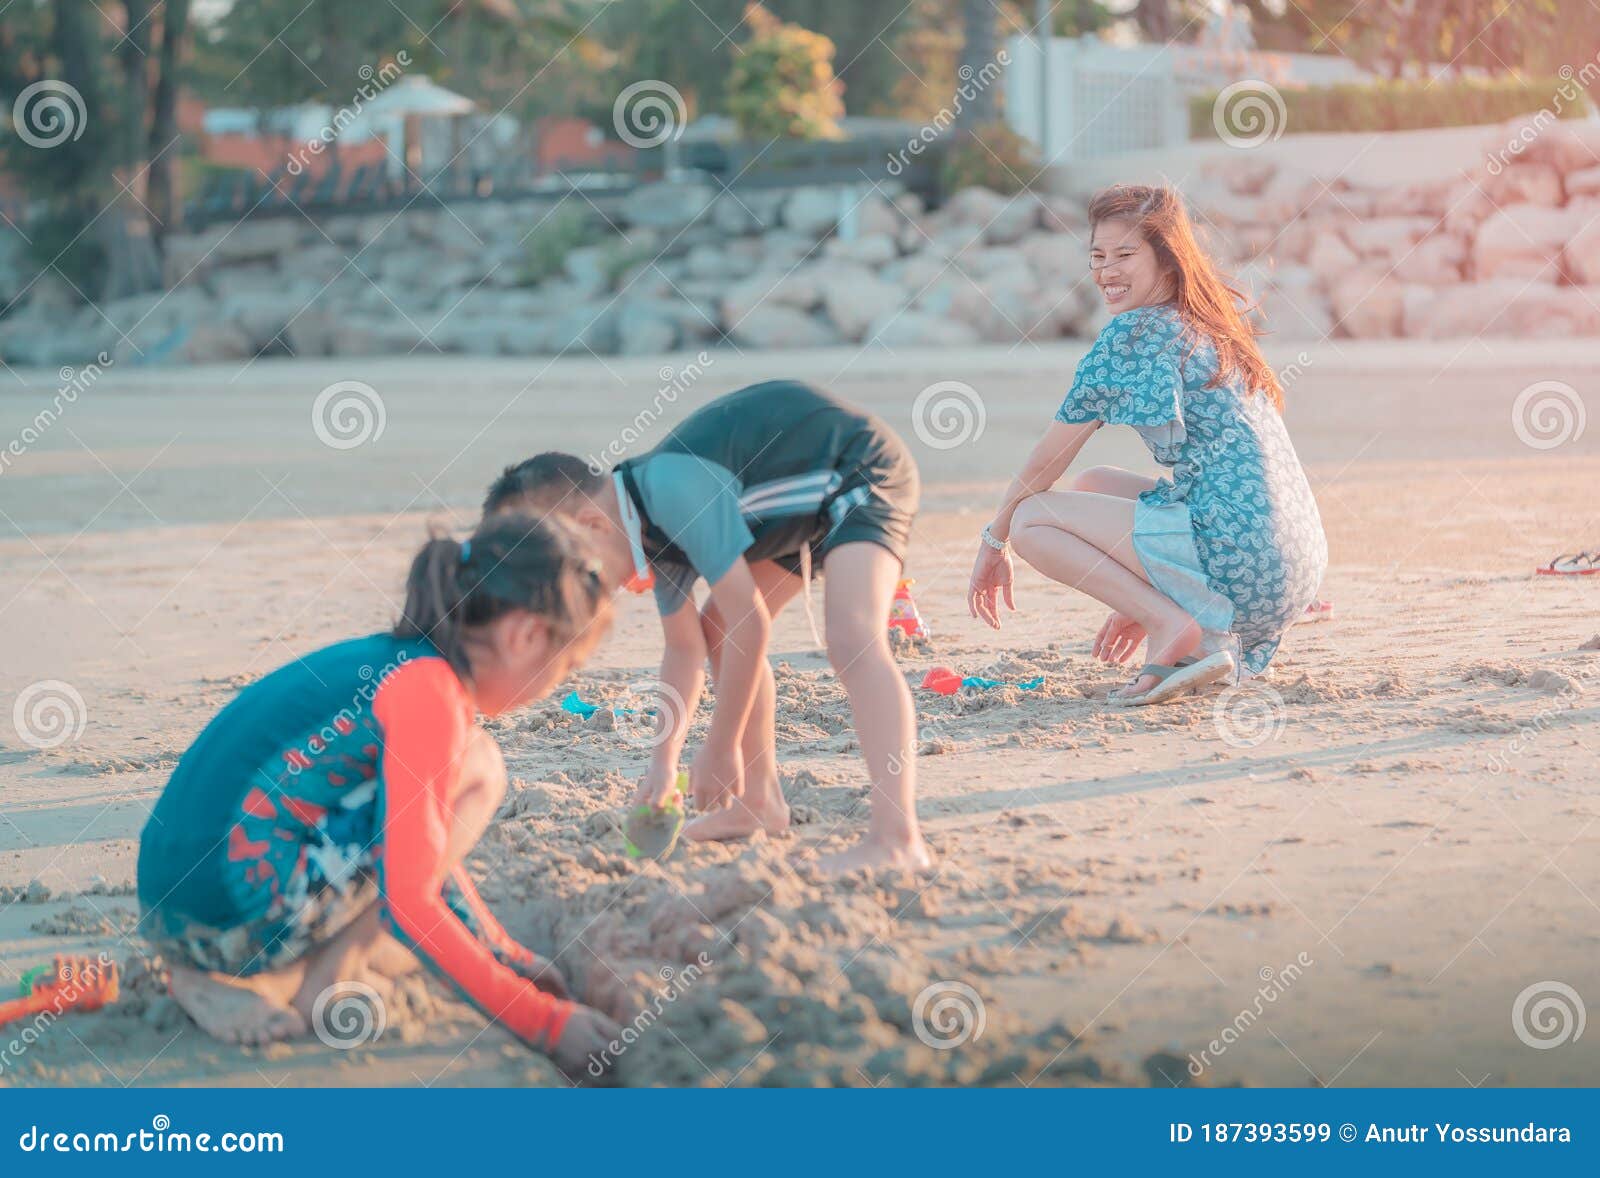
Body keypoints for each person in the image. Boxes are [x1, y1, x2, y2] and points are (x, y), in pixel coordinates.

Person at [137, 514, 621, 1075]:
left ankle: (211, 975)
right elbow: (409, 900)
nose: (556, 684)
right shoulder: (431, 693)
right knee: (482, 767)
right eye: (567, 666)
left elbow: (415, 830)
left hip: (173, 900)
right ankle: (320, 979)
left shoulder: (392, 661)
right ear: (526, 636)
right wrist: (544, 1022)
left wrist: (502, 952)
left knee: (440, 790)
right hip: (231, 910)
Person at [482, 380, 931, 875]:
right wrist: (663, 763)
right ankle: (760, 801)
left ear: (592, 525)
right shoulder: (644, 527)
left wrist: (720, 744)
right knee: (714, 628)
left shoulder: (672, 492)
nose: (584, 594)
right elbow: (684, 649)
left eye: (573, 572)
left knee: (852, 638)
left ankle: (897, 838)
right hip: (790, 511)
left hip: (858, 470)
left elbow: (751, 622)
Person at [968, 183, 1327, 704]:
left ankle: (1170, 625)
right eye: (1097, 256)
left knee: (1031, 520)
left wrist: (994, 541)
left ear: (1166, 257)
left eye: (1124, 255)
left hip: (1239, 560)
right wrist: (1146, 582)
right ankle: (1178, 618)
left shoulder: (1136, 333)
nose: (1106, 271)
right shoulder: (1208, 322)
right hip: (1289, 567)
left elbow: (1052, 453)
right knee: (1095, 484)